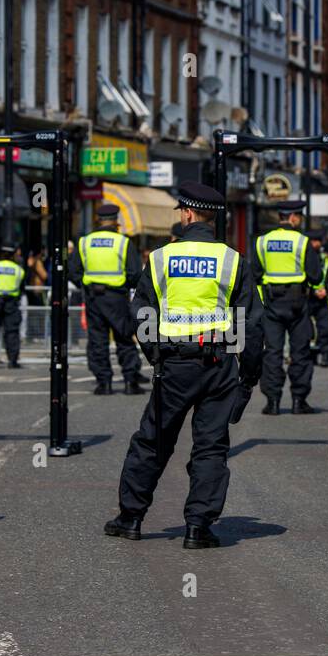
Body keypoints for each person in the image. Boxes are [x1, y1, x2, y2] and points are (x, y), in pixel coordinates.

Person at [105, 183, 262, 549]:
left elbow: (141, 311)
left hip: (174, 364)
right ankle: (198, 527)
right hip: (219, 361)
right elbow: (250, 325)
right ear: (213, 216)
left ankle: (131, 517)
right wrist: (248, 374)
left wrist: (155, 354)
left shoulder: (161, 258)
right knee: (210, 447)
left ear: (188, 214)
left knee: (153, 441)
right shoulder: (234, 260)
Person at [254, 199, 322, 414]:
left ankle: (272, 402)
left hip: (271, 303)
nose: (299, 221)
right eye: (299, 217)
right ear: (293, 217)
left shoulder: (262, 241)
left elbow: (255, 274)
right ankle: (298, 401)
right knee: (300, 352)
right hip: (297, 303)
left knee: (272, 352)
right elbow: (315, 275)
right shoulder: (302, 242)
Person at [68, 202, 144, 395]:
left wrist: (86, 285)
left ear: (98, 221)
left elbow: (73, 270)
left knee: (97, 341)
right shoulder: (123, 242)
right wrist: (125, 286)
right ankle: (130, 381)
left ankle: (104, 383)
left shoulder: (84, 242)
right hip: (117, 297)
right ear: (116, 221)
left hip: (93, 297)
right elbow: (135, 273)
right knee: (124, 338)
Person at [309, 234, 328, 368]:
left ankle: (325, 355)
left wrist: (325, 290)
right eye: (314, 240)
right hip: (309, 297)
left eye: (318, 240)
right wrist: (313, 291)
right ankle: (311, 356)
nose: (317, 243)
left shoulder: (325, 259)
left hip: (322, 297)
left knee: (325, 328)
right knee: (308, 330)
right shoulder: (306, 256)